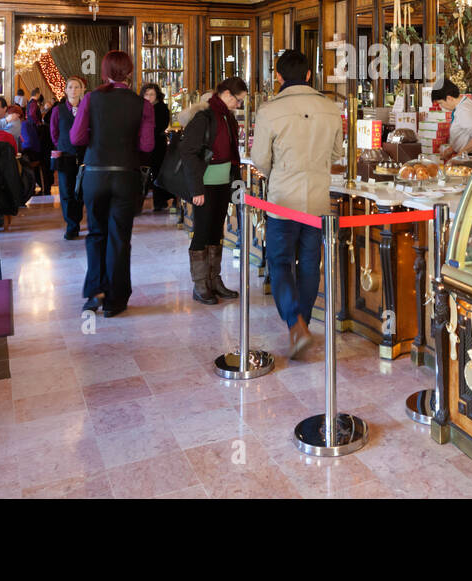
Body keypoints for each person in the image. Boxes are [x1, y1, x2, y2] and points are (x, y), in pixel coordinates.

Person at [251, 50, 343, 357]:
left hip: (282, 200)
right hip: (318, 198)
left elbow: (260, 161)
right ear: (308, 75)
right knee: (309, 264)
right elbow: (336, 154)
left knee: (279, 262)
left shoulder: (268, 111)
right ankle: (302, 324)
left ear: (278, 76)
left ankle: (295, 323)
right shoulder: (330, 108)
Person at [69, 50, 154, 317]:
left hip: (95, 175)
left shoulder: (92, 98)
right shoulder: (143, 104)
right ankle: (116, 301)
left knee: (96, 233)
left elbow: (76, 138)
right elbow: (147, 145)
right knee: (119, 238)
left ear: (104, 72)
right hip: (126, 176)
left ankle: (96, 293)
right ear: (129, 72)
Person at [178, 77, 247, 305]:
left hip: (222, 183)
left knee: (217, 231)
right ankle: (200, 285)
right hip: (205, 185)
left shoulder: (228, 117)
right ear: (226, 94)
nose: (239, 105)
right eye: (238, 100)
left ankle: (214, 281)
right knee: (202, 232)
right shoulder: (204, 115)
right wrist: (196, 188)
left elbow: (230, 153)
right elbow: (188, 152)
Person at [50, 76, 87, 240]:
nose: (73, 90)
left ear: (82, 90)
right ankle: (72, 225)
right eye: (70, 87)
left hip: (85, 156)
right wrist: (64, 145)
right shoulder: (58, 110)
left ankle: (78, 220)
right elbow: (54, 133)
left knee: (81, 192)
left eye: (77, 87)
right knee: (66, 192)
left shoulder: (87, 109)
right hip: (65, 156)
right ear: (65, 90)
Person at [139, 83, 173, 213]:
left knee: (158, 173)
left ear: (157, 95)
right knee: (143, 174)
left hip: (158, 143)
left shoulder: (162, 108)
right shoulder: (140, 107)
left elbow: (160, 126)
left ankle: (160, 201)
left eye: (152, 94)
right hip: (143, 144)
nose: (149, 97)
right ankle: (139, 202)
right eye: (146, 94)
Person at [431, 79, 472, 156]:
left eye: (441, 103)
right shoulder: (461, 105)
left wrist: (460, 155)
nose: (441, 107)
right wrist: (451, 150)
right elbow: (463, 134)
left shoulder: (464, 110)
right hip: (466, 155)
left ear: (449, 98)